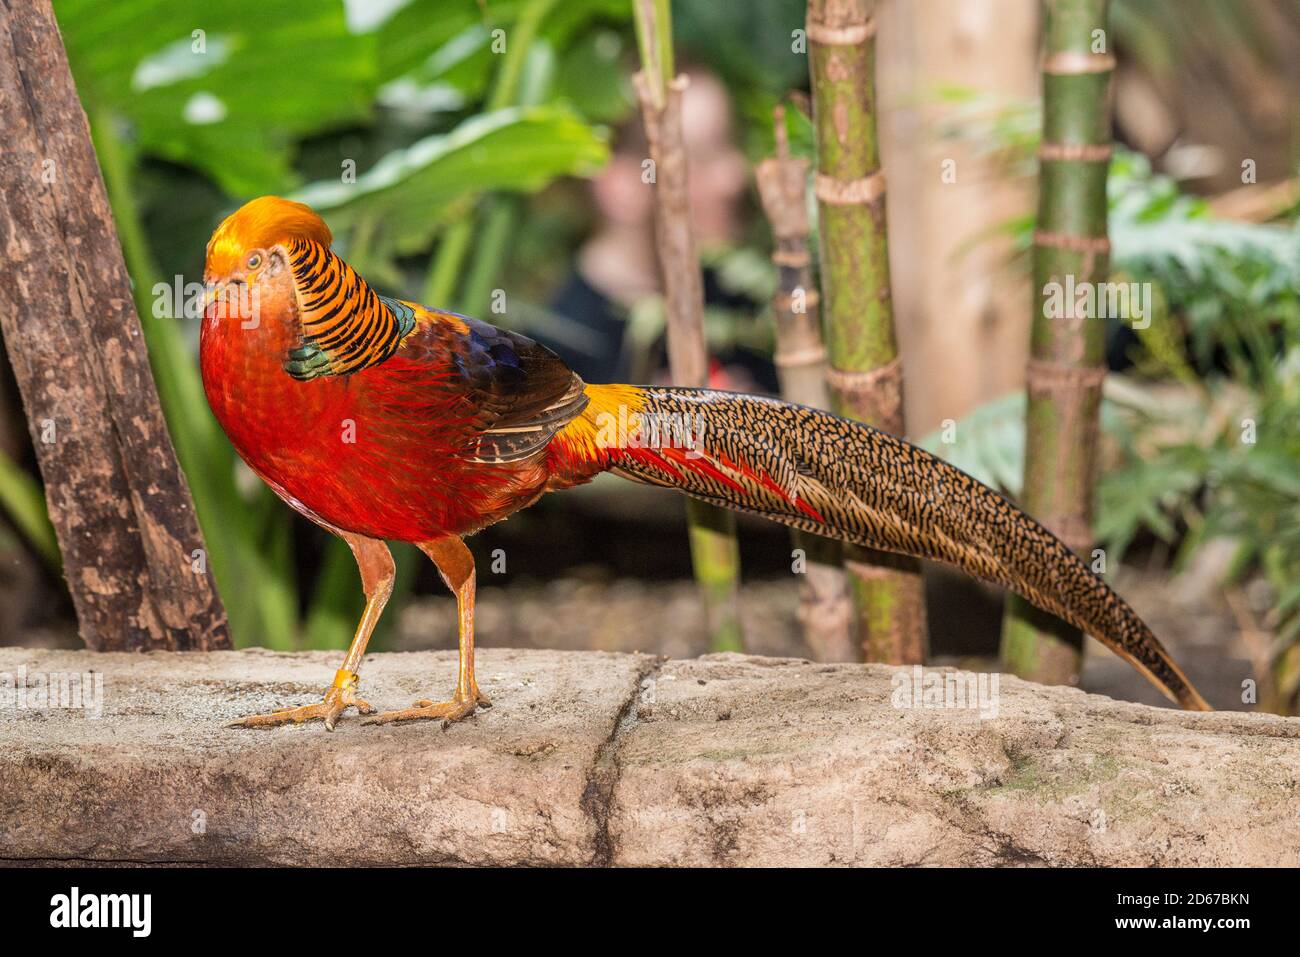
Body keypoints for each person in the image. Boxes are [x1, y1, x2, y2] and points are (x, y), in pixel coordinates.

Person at [542, 68, 776, 393]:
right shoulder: (559, 348)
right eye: (701, 158)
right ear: (619, 186)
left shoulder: (739, 297)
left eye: (730, 142)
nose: (733, 175)